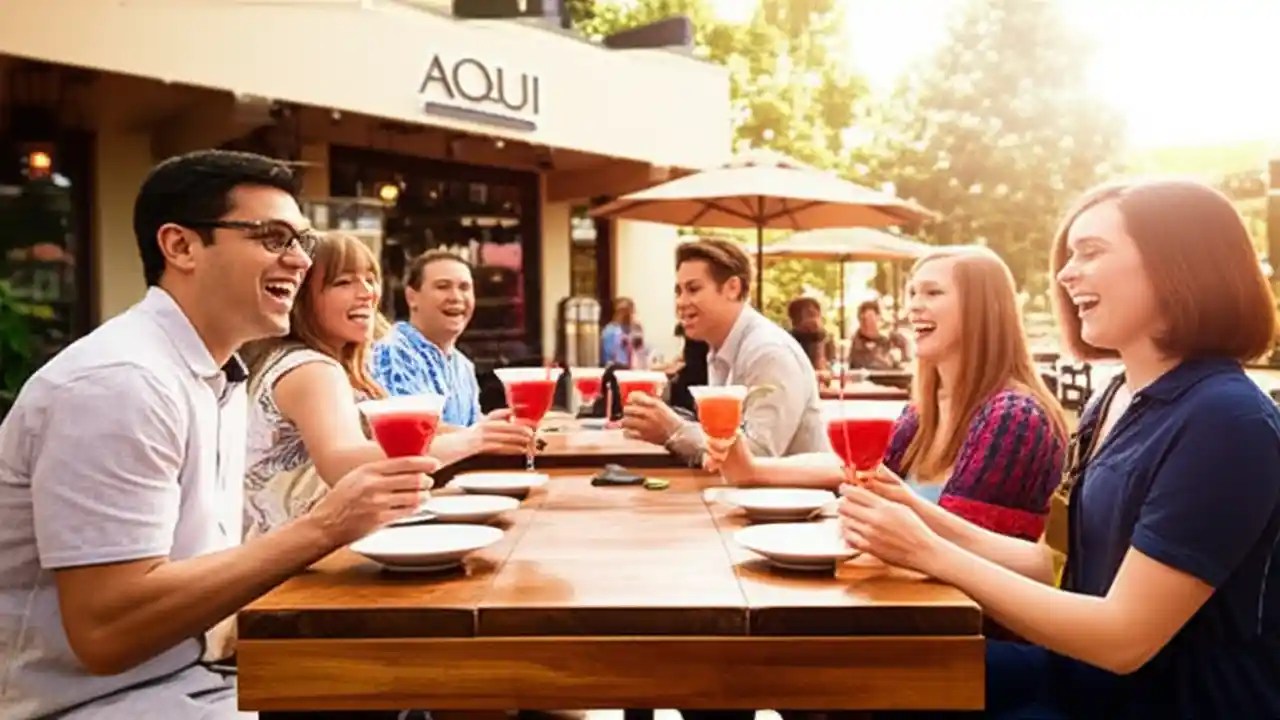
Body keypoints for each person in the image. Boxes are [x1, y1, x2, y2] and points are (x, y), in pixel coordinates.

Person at [0, 150, 435, 719]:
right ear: (180, 246)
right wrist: (326, 526)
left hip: (196, 677)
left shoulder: (215, 376)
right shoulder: (122, 383)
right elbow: (108, 633)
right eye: (274, 238)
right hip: (94, 703)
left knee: (418, 690)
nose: (300, 261)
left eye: (302, 241)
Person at [842, 179, 1280, 718]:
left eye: (1090, 252)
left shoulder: (1225, 420)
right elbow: (1048, 566)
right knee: (840, 673)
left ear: (1179, 263)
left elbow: (1124, 639)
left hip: (1159, 702)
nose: (1065, 273)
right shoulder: (1112, 401)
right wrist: (917, 513)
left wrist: (928, 551)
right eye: (1069, 256)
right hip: (1076, 679)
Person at [710, 246, 1067, 541]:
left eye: (932, 292)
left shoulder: (1013, 417)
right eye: (912, 292)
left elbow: (966, 548)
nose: (913, 305)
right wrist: (753, 468)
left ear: (984, 309)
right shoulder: (925, 412)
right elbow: (862, 470)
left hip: (963, 621)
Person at [242, 234, 531, 538]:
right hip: (292, 566)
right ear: (301, 296)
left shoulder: (339, 367)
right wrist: (473, 440)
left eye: (370, 279)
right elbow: (344, 463)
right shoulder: (311, 369)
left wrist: (485, 433)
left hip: (323, 549)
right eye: (343, 282)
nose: (367, 293)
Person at [622, 237, 827, 464]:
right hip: (750, 495)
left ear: (732, 288)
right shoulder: (720, 349)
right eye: (678, 291)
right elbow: (722, 444)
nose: (681, 301)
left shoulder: (768, 352)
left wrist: (675, 429)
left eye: (693, 289)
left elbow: (758, 455)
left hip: (797, 498)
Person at [847, 299, 911, 370]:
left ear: (878, 317)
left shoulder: (885, 341)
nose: (867, 323)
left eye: (870, 318)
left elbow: (899, 366)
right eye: (863, 320)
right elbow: (862, 364)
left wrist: (902, 353)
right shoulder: (856, 344)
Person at [787, 296, 835, 373]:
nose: (815, 320)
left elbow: (828, 368)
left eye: (817, 314)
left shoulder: (825, 339)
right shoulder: (789, 342)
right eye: (810, 314)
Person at [601, 297, 647, 368]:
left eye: (629, 311)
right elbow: (608, 356)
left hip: (635, 370)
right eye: (622, 311)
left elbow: (641, 352)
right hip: (616, 369)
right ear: (616, 313)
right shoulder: (609, 331)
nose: (626, 314)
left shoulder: (636, 329)